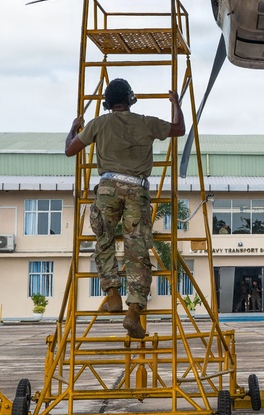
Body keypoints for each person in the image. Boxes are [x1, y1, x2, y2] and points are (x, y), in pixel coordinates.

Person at [65, 78, 185, 338]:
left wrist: (73, 129)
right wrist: (175, 103)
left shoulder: (98, 123)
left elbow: (69, 150)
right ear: (131, 99)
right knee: (137, 250)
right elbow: (179, 129)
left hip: (107, 188)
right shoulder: (146, 122)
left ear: (107, 102)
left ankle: (112, 293)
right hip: (136, 189)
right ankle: (133, 311)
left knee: (104, 241)